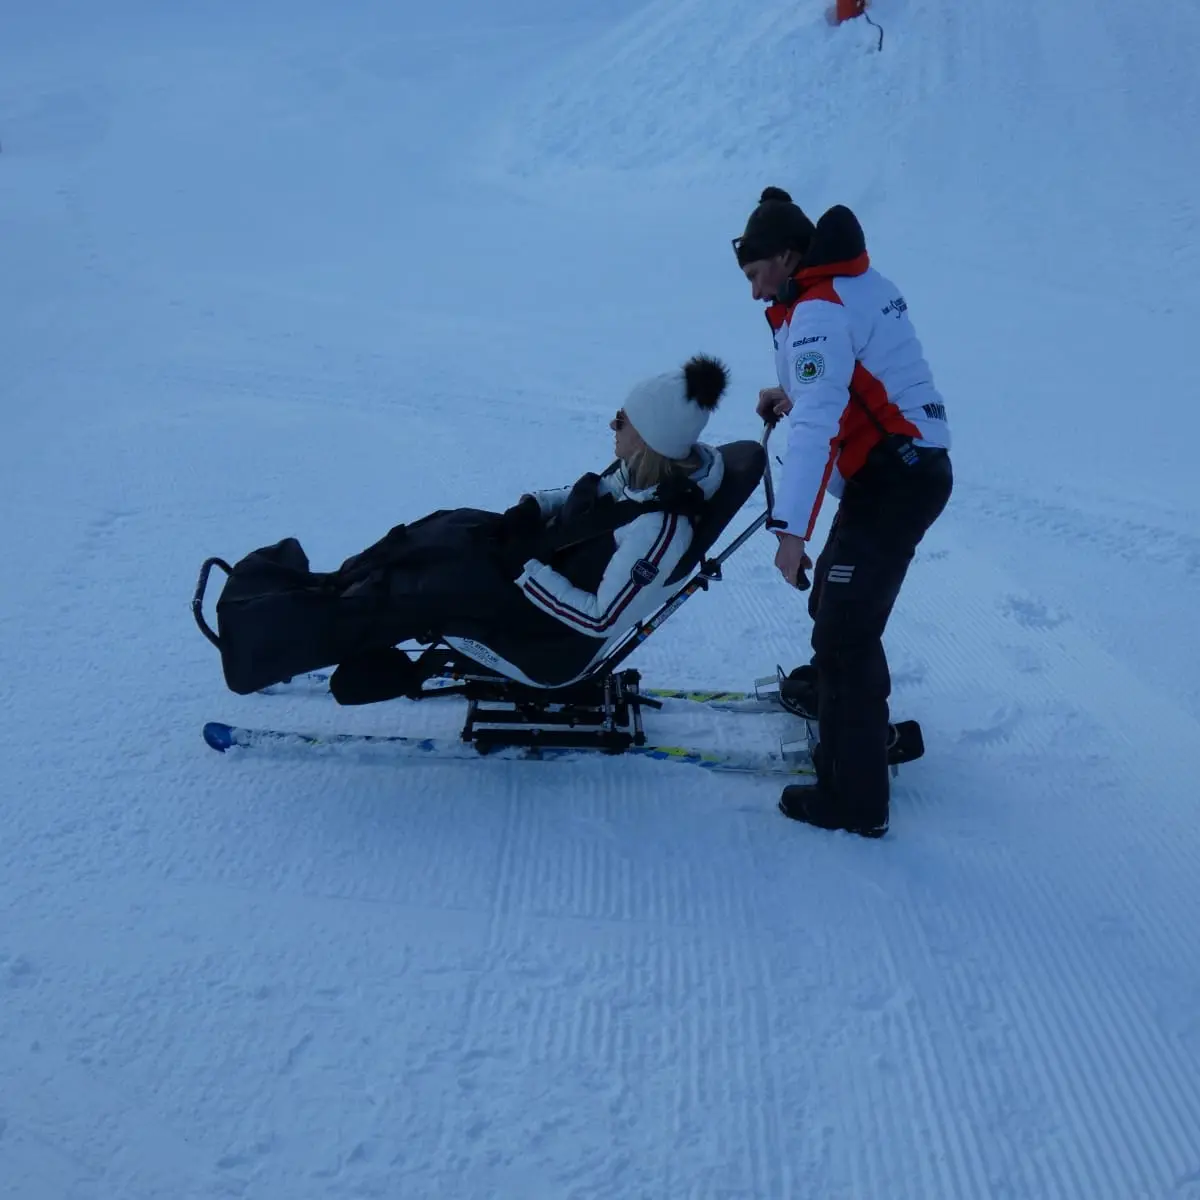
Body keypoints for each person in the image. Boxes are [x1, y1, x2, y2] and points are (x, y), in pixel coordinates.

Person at [209, 355, 731, 700]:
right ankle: (330, 588)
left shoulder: (660, 533)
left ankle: (283, 638)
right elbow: (594, 497)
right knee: (446, 529)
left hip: (549, 644)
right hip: (538, 576)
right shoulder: (641, 476)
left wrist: (523, 569)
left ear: (648, 440)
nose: (612, 426)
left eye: (622, 421)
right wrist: (533, 508)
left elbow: (597, 621)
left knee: (428, 588)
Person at [732, 186, 953, 838]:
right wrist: (792, 392)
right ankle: (835, 700)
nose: (752, 293)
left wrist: (791, 532)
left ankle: (855, 799)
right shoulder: (848, 283)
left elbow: (821, 425)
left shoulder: (821, 307)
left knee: (846, 630)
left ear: (789, 255)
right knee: (833, 597)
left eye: (755, 274)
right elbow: (843, 381)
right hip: (900, 465)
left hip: (897, 476)